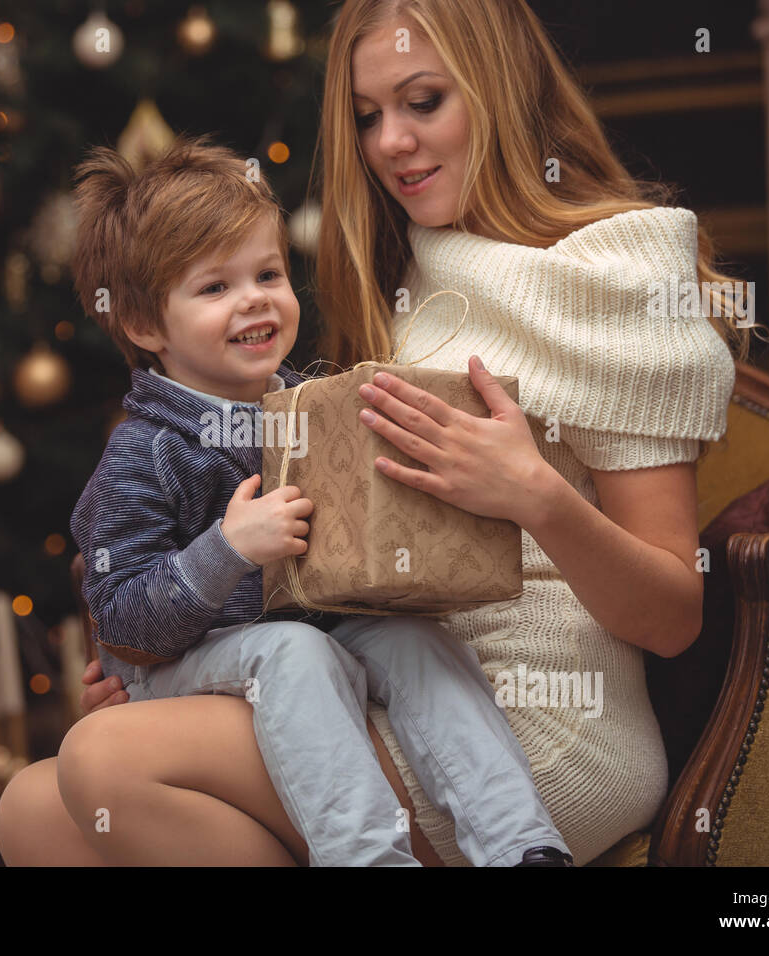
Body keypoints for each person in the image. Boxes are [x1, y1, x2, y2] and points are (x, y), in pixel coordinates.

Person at [0, 0, 755, 867]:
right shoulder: (412, 267)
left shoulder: (612, 276)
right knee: (31, 813)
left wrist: (535, 496)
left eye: (423, 101)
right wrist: (167, 644)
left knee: (103, 764)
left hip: (534, 731)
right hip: (375, 671)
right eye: (367, 116)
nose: (391, 141)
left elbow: (672, 616)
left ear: (500, 92)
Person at [62, 134, 572, 867]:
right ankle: (366, 857)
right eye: (214, 288)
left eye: (268, 273)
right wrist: (226, 550)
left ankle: (524, 846)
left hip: (323, 628)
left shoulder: (306, 405)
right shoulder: (146, 449)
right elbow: (121, 617)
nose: (256, 300)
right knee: (292, 649)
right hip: (188, 665)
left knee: (417, 641)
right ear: (144, 326)